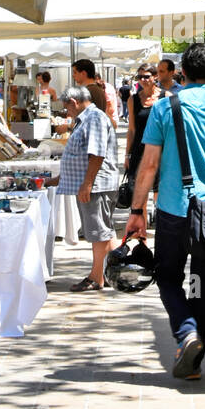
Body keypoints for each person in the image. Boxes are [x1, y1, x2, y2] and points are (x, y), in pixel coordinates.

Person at [126, 42, 205, 379]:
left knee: (168, 276)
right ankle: (193, 361)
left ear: (182, 73)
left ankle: (186, 331)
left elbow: (149, 165)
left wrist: (137, 210)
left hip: (174, 211)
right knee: (200, 283)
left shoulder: (164, 108)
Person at [53, 86, 121, 292]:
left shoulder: (94, 118)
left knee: (97, 232)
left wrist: (88, 184)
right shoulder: (86, 119)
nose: (67, 112)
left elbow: (97, 154)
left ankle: (96, 277)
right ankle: (111, 272)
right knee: (102, 231)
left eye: (67, 108)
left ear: (74, 102)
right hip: (93, 184)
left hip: (97, 185)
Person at [123, 65, 160, 198]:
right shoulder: (133, 100)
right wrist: (127, 155)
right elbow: (132, 130)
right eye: (140, 77)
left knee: (159, 190)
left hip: (160, 151)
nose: (143, 80)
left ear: (155, 77)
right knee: (137, 191)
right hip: (138, 150)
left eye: (147, 76)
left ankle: (157, 211)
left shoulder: (166, 97)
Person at [72, 57, 118, 124]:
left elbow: (84, 117)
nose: (73, 76)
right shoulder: (97, 89)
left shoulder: (88, 91)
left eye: (75, 72)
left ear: (83, 73)